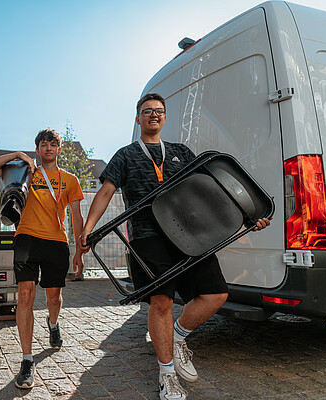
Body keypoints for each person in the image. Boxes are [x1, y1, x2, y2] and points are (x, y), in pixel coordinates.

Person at [79, 93, 270, 400]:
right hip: (148, 238)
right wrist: (88, 230)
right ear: (137, 118)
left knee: (216, 294)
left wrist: (251, 217)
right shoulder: (125, 155)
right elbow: (104, 193)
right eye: (146, 111)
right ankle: (166, 373)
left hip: (190, 234)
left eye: (158, 111)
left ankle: (178, 336)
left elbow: (214, 191)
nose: (153, 115)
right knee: (162, 303)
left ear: (164, 117)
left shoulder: (181, 151)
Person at [0, 128, 85, 389]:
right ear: (37, 149)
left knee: (54, 297)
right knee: (25, 294)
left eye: (53, 144)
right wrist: (18, 155)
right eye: (43, 144)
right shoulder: (25, 172)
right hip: (27, 238)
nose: (48, 148)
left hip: (57, 242)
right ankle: (27, 360)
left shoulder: (70, 179)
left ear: (58, 149)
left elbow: (76, 216)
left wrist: (80, 252)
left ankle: (53, 324)